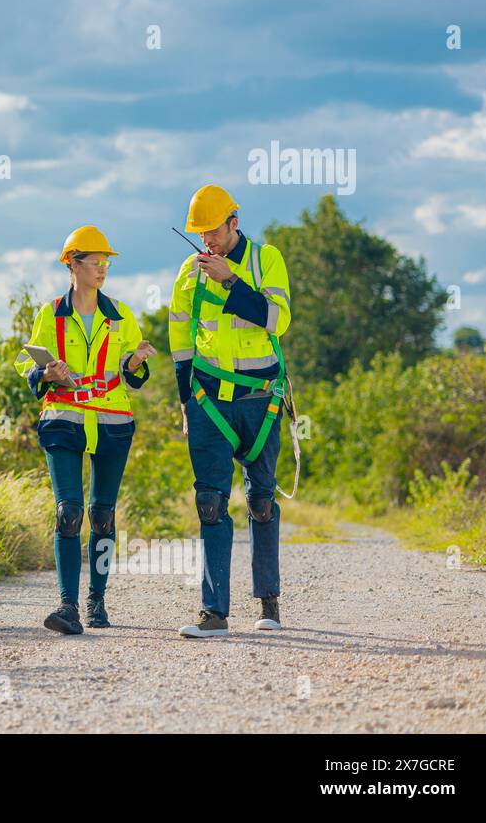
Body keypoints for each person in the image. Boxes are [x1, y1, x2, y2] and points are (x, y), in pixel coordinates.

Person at [15, 226, 156, 635]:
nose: (103, 268)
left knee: (102, 515)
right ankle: (67, 607)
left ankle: (97, 602)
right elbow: (26, 364)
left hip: (112, 421)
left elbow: (133, 370)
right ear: (72, 264)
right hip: (63, 419)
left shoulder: (122, 315)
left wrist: (134, 363)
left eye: (106, 261)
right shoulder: (49, 314)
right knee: (68, 512)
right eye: (96, 261)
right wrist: (46, 372)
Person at [167, 184, 292, 638]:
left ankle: (269, 604)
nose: (208, 242)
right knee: (210, 501)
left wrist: (231, 281)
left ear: (233, 224)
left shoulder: (267, 259)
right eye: (200, 234)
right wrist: (185, 402)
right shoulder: (187, 273)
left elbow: (279, 320)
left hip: (261, 399)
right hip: (208, 401)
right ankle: (213, 612)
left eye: (214, 232)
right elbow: (180, 343)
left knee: (261, 500)